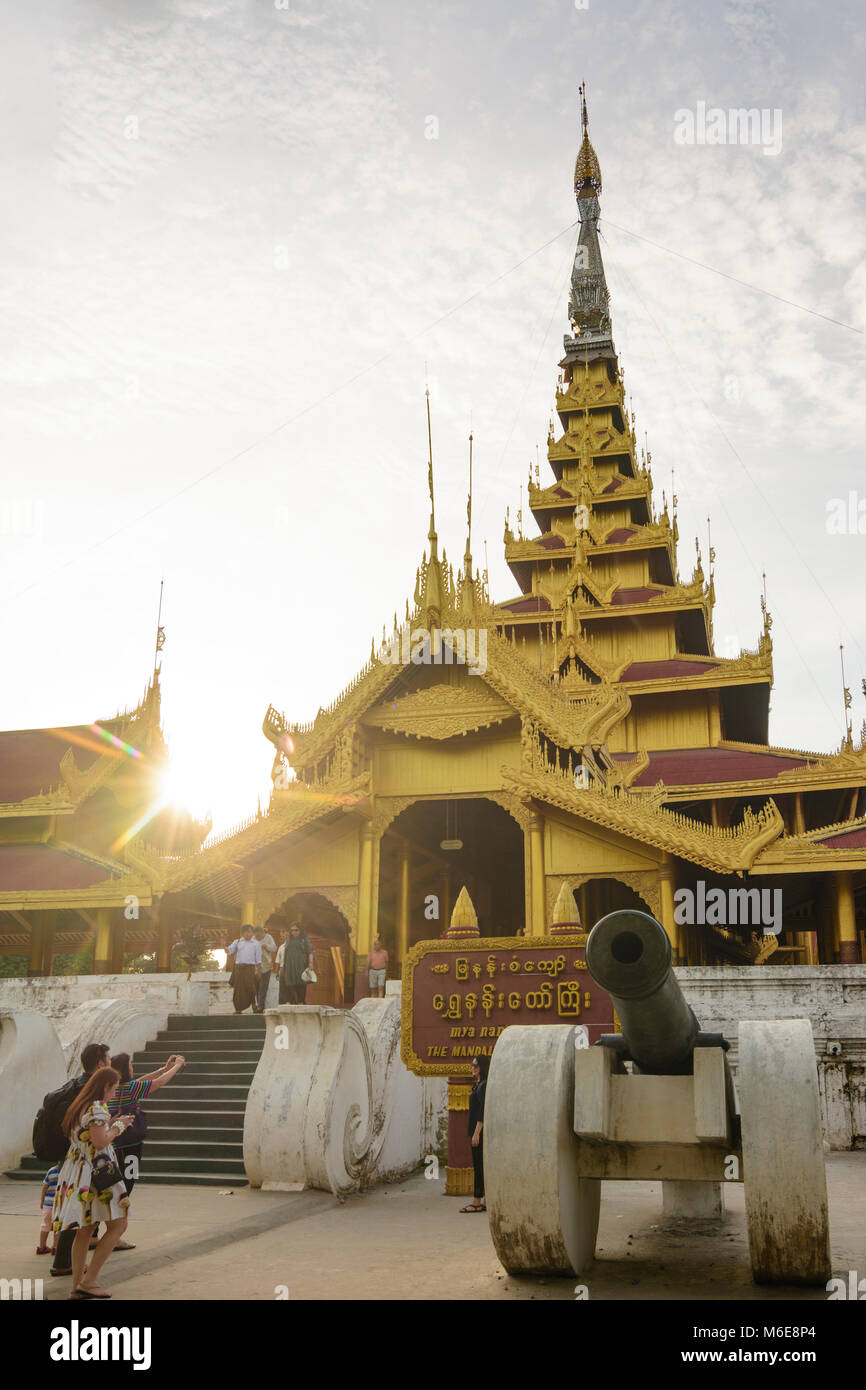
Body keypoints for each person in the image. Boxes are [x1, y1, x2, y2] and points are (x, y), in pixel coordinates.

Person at [51, 1067, 137, 1299]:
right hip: (97, 1174)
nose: (114, 1094)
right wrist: (118, 1127)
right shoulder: (97, 1108)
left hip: (78, 1172)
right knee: (118, 1224)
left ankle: (77, 1286)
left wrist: (110, 1124)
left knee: (85, 1230)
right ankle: (89, 1281)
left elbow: (89, 1137)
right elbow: (100, 1143)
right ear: (105, 1087)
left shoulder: (79, 1107)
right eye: (114, 1089)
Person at [50, 1041, 117, 1278]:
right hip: (88, 1167)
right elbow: (98, 1141)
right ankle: (77, 1275)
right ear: (100, 1066)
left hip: (74, 1163)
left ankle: (75, 1276)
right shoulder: (94, 1103)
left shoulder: (77, 1092)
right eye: (109, 1061)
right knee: (84, 1220)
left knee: (79, 1221)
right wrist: (116, 1127)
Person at [108, 1051, 186, 1214]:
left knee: (116, 1185)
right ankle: (116, 1226)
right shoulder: (131, 1089)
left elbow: (141, 1081)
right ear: (124, 1070)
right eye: (130, 1065)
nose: (132, 1067)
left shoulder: (114, 1089)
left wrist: (163, 1069)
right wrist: (177, 1066)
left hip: (114, 1145)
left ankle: (103, 1229)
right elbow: (158, 1083)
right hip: (131, 1147)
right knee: (128, 1183)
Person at [460, 1054, 489, 1213]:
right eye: (472, 1065)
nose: (473, 1068)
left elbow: (482, 1111)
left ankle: (477, 1202)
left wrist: (477, 1132)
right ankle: (486, 1200)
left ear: (482, 1068)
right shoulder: (478, 1085)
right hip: (477, 1131)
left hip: (480, 1132)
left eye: (476, 1065)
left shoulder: (483, 1086)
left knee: (479, 1167)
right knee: (482, 1166)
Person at [275, 921, 315, 1004]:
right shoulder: (289, 941)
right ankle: (294, 1002)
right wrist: (282, 968)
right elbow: (285, 954)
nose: (294, 932)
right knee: (290, 984)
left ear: (300, 930)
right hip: (289, 966)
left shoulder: (304, 940)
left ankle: (300, 1002)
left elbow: (310, 952)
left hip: (300, 966)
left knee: (301, 984)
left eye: (296, 930)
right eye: (292, 930)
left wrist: (311, 963)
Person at [227, 924, 261, 1013]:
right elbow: (230, 950)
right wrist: (225, 948)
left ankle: (254, 1005)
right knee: (238, 989)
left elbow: (258, 959)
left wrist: (259, 971)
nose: (248, 934)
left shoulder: (256, 944)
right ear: (242, 933)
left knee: (250, 987)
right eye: (246, 932)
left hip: (250, 968)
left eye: (250, 932)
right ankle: (238, 1009)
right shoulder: (237, 942)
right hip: (238, 968)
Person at [253, 925, 277, 1012]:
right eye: (256, 935)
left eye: (259, 935)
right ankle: (259, 1005)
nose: (257, 937)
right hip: (255, 968)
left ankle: (260, 1007)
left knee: (263, 987)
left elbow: (274, 948)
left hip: (266, 967)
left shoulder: (268, 937)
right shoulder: (253, 939)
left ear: (263, 933)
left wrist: (265, 945)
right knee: (256, 988)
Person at [37, 1163, 59, 1253]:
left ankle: (42, 1247)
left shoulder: (51, 1170)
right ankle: (55, 1247)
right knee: (57, 1227)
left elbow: (45, 1187)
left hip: (47, 1204)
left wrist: (42, 1201)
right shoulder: (68, 1171)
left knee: (45, 1225)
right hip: (59, 1205)